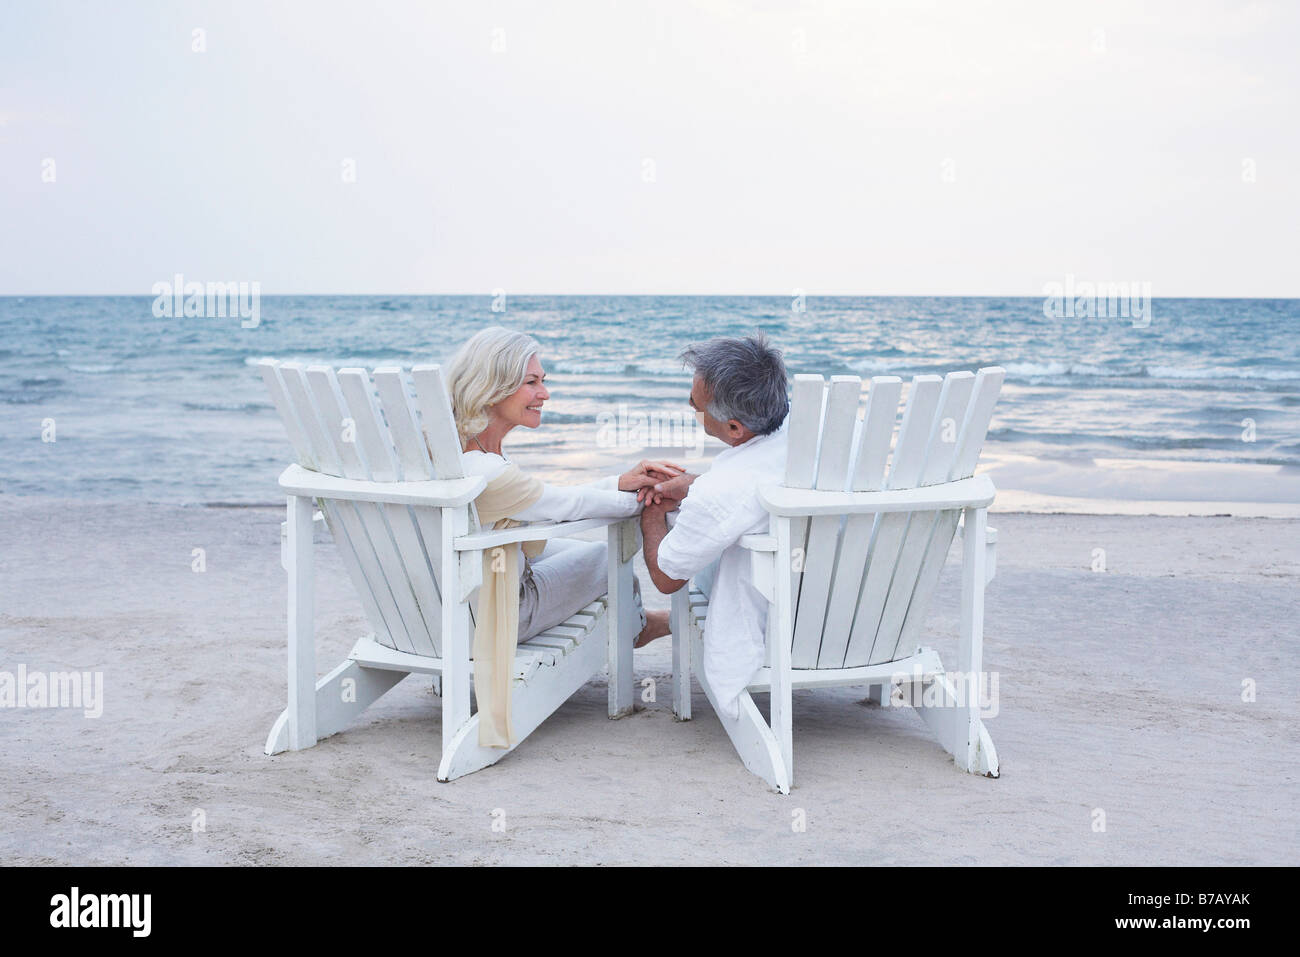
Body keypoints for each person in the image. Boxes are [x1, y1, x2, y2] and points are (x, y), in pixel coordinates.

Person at [444, 327, 675, 746]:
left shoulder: (451, 453)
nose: (545, 394)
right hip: (500, 615)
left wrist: (621, 482)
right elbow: (569, 507)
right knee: (609, 559)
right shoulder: (489, 474)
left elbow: (557, 502)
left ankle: (642, 622)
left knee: (569, 545)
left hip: (445, 610)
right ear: (492, 389)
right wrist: (652, 498)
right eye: (532, 382)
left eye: (543, 380)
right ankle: (642, 626)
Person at [639, 333, 790, 720]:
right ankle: (668, 623)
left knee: (711, 551)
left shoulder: (721, 494)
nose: (692, 408)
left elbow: (667, 576)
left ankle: (669, 621)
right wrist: (697, 485)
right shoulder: (827, 435)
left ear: (735, 429)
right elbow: (748, 487)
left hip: (778, 628)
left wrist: (652, 508)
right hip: (860, 616)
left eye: (696, 406)